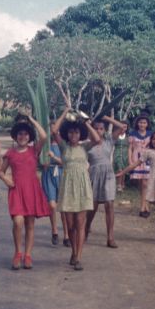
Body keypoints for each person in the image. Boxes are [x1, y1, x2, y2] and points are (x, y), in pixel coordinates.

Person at [51, 108, 101, 271]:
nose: (74, 135)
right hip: (67, 188)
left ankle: (78, 256)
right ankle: (73, 251)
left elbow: (97, 138)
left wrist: (85, 122)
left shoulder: (85, 147)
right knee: (71, 225)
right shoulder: (64, 147)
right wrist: (65, 112)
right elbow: (54, 130)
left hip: (82, 187)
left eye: (77, 133)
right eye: (71, 132)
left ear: (81, 134)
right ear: (68, 134)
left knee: (80, 224)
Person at [0, 117, 51, 270]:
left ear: (29, 137)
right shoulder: (10, 154)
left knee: (30, 224)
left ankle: (27, 255)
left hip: (31, 190)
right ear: (15, 136)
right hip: (16, 190)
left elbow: (43, 136)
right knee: (18, 222)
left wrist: (32, 121)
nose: (23, 137)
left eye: (26, 134)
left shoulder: (34, 150)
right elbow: (0, 172)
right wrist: (6, 180)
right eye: (20, 134)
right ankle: (17, 253)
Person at [85, 116, 127, 248]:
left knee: (109, 203)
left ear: (104, 130)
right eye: (96, 128)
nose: (98, 131)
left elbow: (122, 127)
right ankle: (86, 227)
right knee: (93, 205)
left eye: (101, 128)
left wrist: (107, 118)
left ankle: (110, 237)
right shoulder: (87, 144)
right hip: (93, 174)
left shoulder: (109, 140)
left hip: (108, 174)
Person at [43, 136, 70, 247]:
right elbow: (40, 160)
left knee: (63, 207)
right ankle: (54, 231)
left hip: (62, 174)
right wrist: (43, 163)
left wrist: (54, 157)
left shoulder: (64, 145)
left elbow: (66, 163)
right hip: (49, 174)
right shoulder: (45, 145)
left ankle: (67, 235)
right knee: (52, 205)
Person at [128, 115, 153, 217]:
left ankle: (144, 207)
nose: (142, 124)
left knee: (145, 184)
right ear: (137, 123)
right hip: (136, 159)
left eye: (144, 122)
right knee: (142, 184)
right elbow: (130, 148)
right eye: (140, 122)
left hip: (147, 160)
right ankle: (144, 205)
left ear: (147, 124)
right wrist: (130, 161)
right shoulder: (132, 134)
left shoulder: (151, 134)